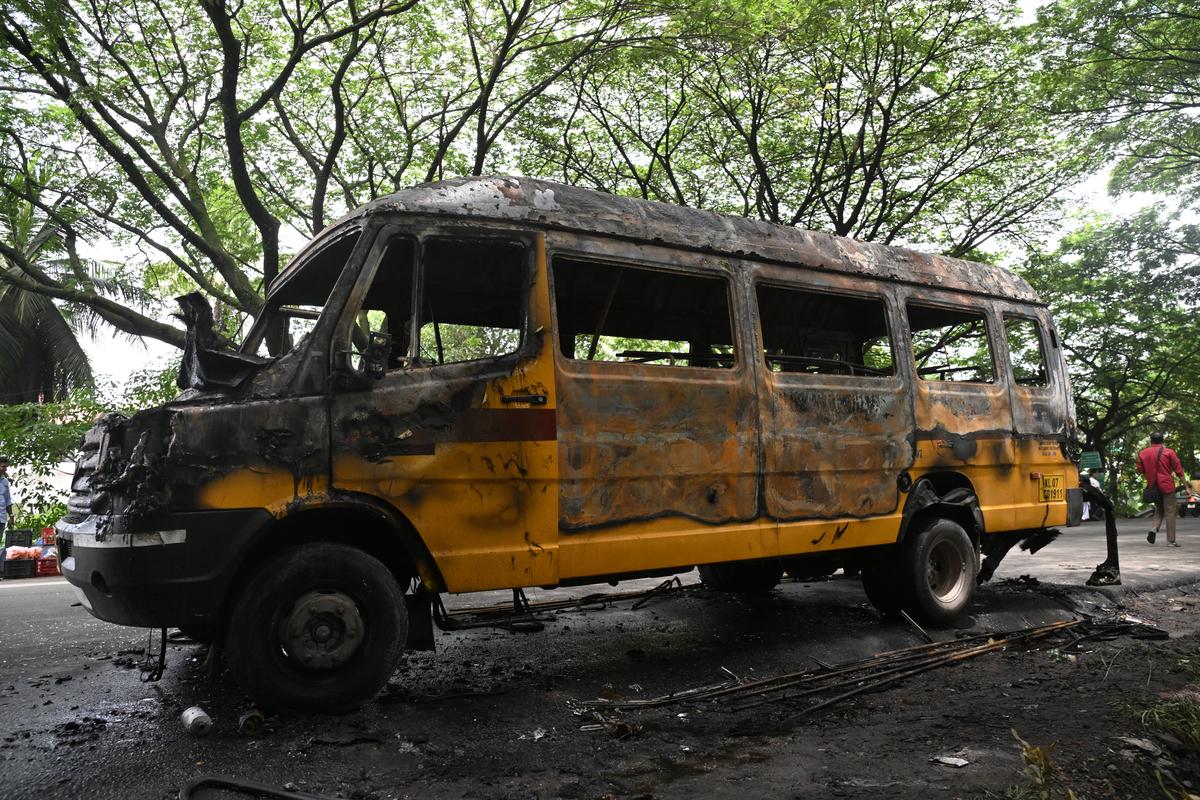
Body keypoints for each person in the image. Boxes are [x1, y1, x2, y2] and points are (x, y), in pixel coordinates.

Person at [1137, 432, 1185, 546]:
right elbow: (1179, 471)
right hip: (1167, 485)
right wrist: (1186, 487)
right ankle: (1171, 541)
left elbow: (1140, 470)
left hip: (1153, 486)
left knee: (1159, 509)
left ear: (1150, 440)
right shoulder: (1169, 452)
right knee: (1170, 511)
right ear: (1162, 441)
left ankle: (1154, 528)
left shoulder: (1143, 453)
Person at [0, 457, 11, 546]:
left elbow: (7, 499)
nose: (5, 469)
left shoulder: (5, 482)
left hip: (1, 518)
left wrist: (11, 515)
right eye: (3, 466)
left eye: (6, 467)